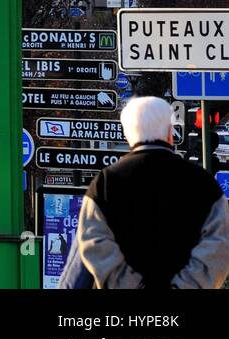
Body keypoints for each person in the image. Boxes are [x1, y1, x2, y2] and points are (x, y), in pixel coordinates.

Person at [61, 95, 229, 289]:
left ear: (127, 134)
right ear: (169, 133)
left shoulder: (106, 182)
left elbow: (93, 243)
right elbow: (219, 245)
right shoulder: (203, 183)